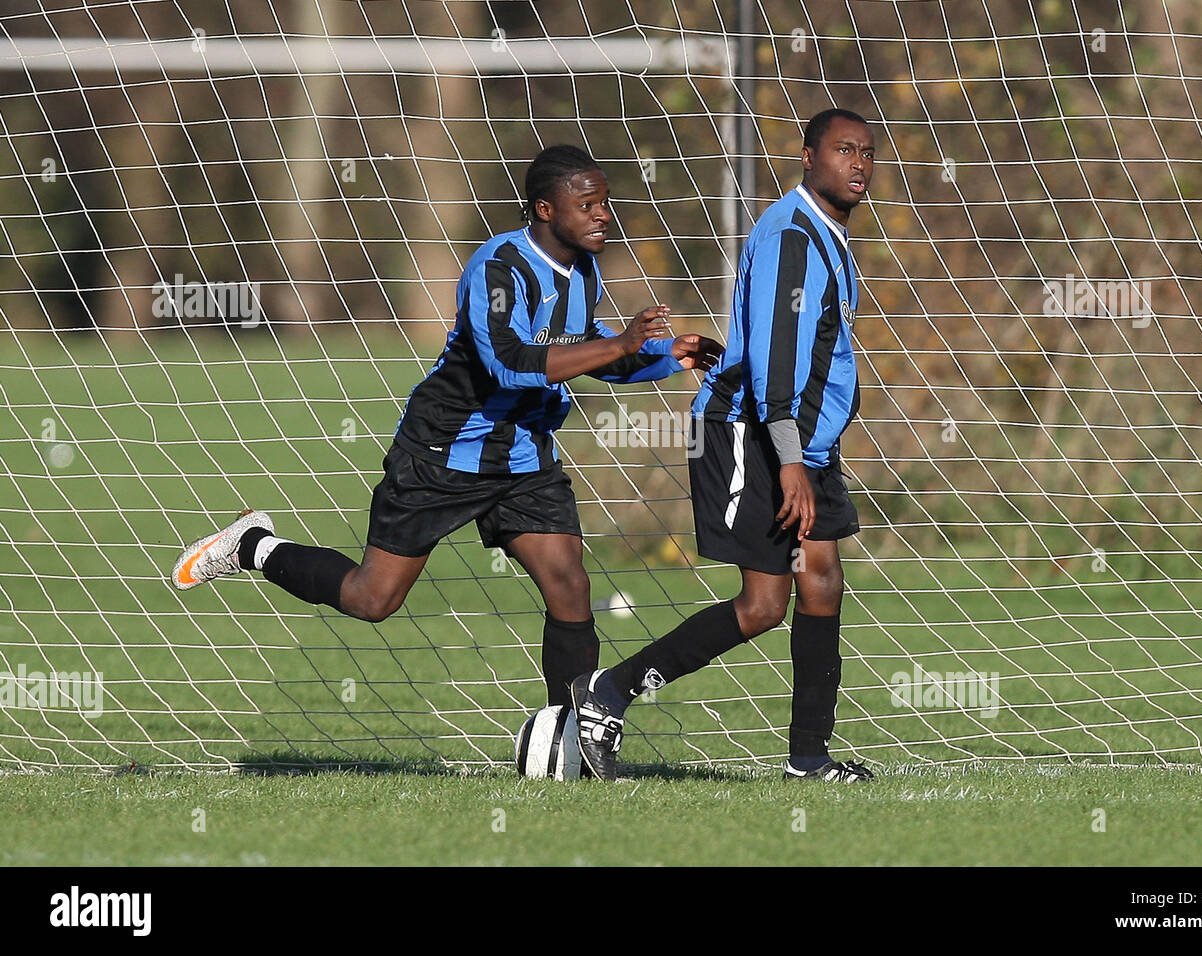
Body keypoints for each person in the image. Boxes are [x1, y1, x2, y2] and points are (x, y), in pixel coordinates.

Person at [171, 144, 722, 709]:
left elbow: (581, 349)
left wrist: (665, 355)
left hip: (523, 454)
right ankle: (253, 546)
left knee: (569, 584)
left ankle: (569, 734)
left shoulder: (582, 269)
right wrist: (622, 343)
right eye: (587, 205)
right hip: (445, 449)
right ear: (545, 209)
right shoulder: (499, 268)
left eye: (604, 202)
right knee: (372, 599)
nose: (602, 214)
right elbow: (511, 362)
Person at [570, 109, 875, 781]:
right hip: (753, 434)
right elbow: (774, 358)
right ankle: (610, 691)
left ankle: (808, 760)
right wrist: (789, 459)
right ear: (808, 156)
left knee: (821, 582)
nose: (858, 163)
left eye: (866, 152)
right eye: (842, 149)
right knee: (764, 604)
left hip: (803, 442)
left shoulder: (826, 235)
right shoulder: (793, 236)